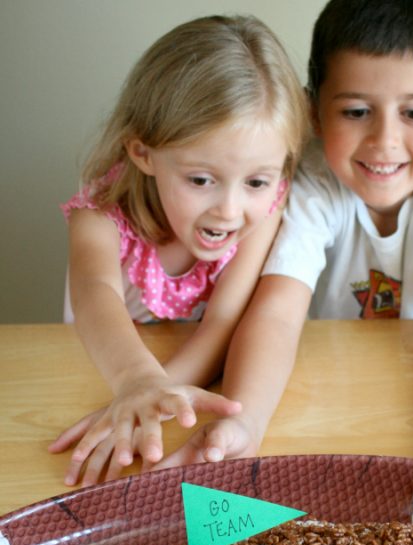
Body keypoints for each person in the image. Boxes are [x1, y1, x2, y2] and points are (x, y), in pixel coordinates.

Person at [160, 0, 413, 474]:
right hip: (330, 373)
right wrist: (249, 419)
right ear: (314, 113)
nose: (384, 141)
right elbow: (278, 312)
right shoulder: (311, 164)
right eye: (357, 111)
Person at [49, 14, 309, 486]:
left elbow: (223, 324)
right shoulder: (100, 213)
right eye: (201, 180)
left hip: (163, 400)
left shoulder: (267, 206)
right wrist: (135, 382)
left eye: (255, 181)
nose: (230, 210)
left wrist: (157, 395)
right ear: (143, 152)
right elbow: (94, 295)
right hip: (91, 379)